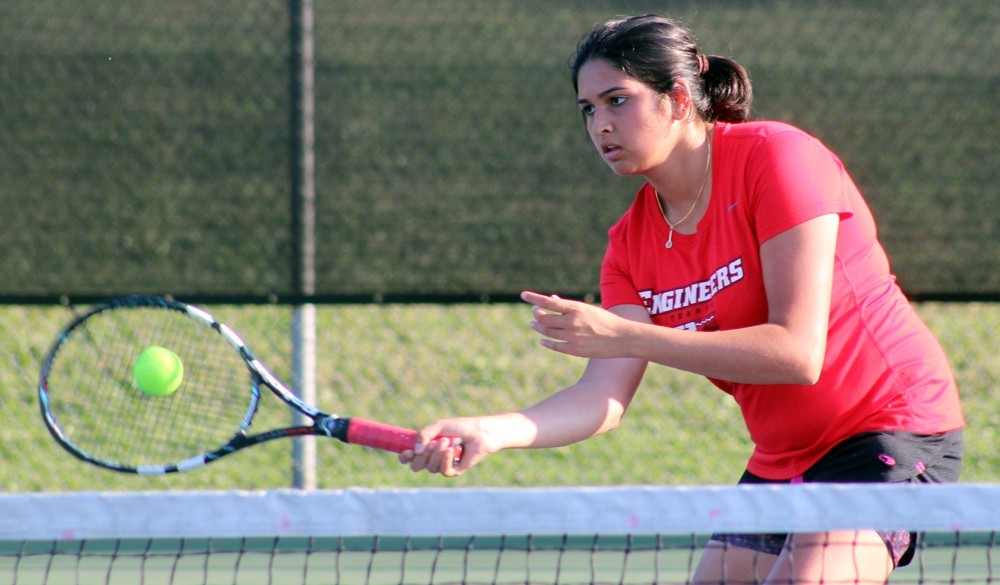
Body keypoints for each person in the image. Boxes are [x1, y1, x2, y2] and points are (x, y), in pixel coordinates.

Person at [399, 14, 964, 584]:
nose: (600, 125)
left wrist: (628, 335)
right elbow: (602, 397)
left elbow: (797, 353)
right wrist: (493, 431)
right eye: (588, 109)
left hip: (889, 425)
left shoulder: (779, 158)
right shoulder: (630, 245)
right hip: (783, 457)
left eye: (618, 100)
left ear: (675, 99)